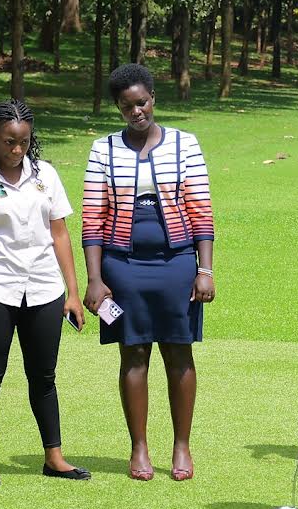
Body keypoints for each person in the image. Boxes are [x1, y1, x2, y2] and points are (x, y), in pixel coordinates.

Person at [82, 64, 215, 481]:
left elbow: (201, 209)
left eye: (141, 102)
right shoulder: (103, 149)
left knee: (179, 351)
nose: (136, 111)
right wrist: (94, 279)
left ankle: (181, 445)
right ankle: (138, 446)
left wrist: (205, 270)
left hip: (177, 263)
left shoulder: (185, 144)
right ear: (118, 108)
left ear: (153, 98)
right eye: (127, 106)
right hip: (122, 267)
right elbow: (92, 218)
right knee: (133, 352)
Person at [0, 100, 90, 487]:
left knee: (44, 376)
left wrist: (72, 293)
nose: (16, 149)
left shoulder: (46, 175)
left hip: (45, 288)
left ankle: (54, 457)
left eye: (24, 142)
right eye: (8, 142)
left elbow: (60, 234)